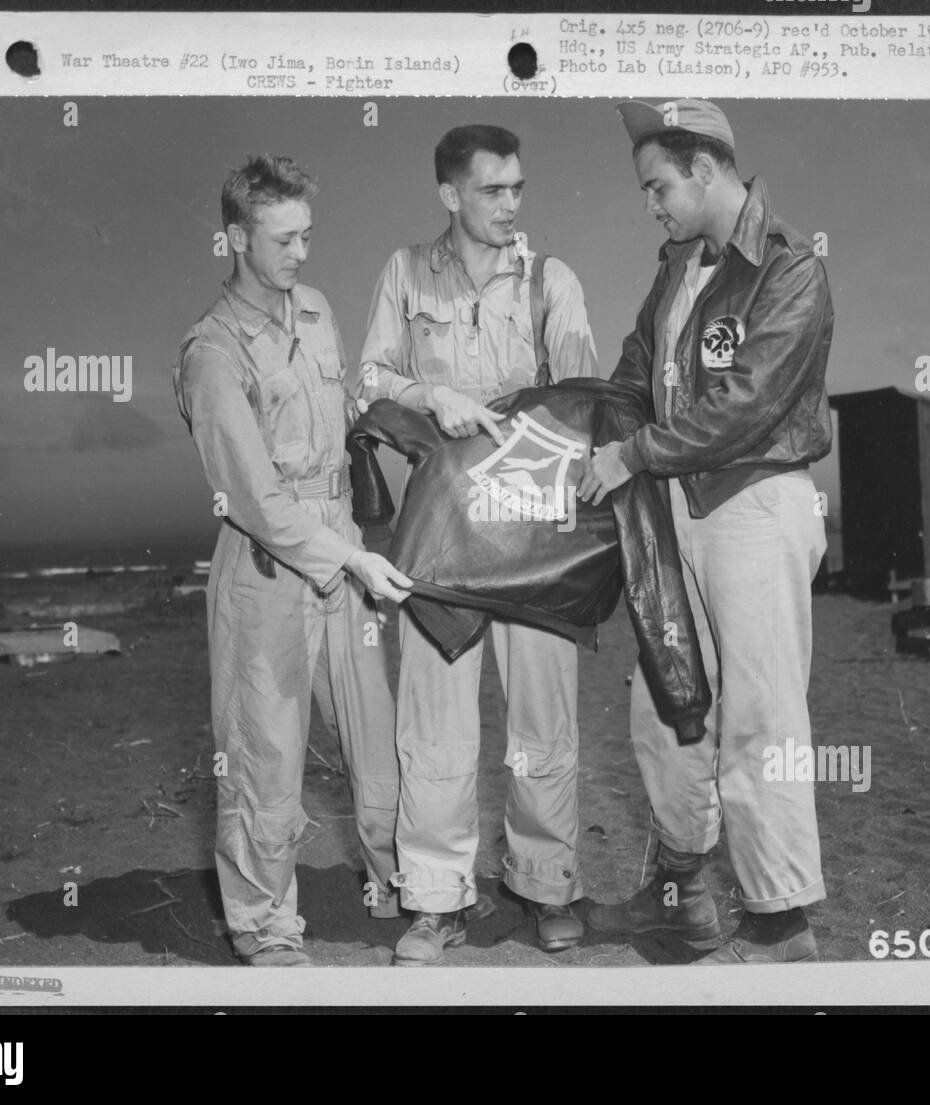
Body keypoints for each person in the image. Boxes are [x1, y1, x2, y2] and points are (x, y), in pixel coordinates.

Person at [577, 100, 834, 964]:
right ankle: (684, 894)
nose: (650, 203)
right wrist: (576, 425)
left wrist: (632, 452)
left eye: (658, 185)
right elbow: (634, 373)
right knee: (667, 703)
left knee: (762, 719)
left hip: (757, 505)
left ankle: (780, 924)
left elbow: (747, 403)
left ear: (707, 168)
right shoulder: (679, 268)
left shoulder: (789, 267)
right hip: (676, 509)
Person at [355, 124, 599, 964]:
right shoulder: (405, 272)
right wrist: (436, 394)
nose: (509, 205)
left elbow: (584, 398)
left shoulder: (551, 280)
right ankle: (433, 899)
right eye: (492, 190)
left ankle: (545, 885)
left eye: (517, 189)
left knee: (543, 721)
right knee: (436, 721)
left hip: (535, 534)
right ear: (450, 193)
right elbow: (370, 381)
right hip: (445, 536)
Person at [174, 155, 413, 967]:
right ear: (236, 237)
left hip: (342, 544)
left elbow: (340, 425)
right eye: (283, 239)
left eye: (308, 235)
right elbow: (255, 498)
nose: (301, 254)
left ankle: (395, 882)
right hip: (268, 567)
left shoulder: (314, 311)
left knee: (375, 733)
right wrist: (349, 556)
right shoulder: (211, 352)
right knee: (263, 751)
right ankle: (266, 925)